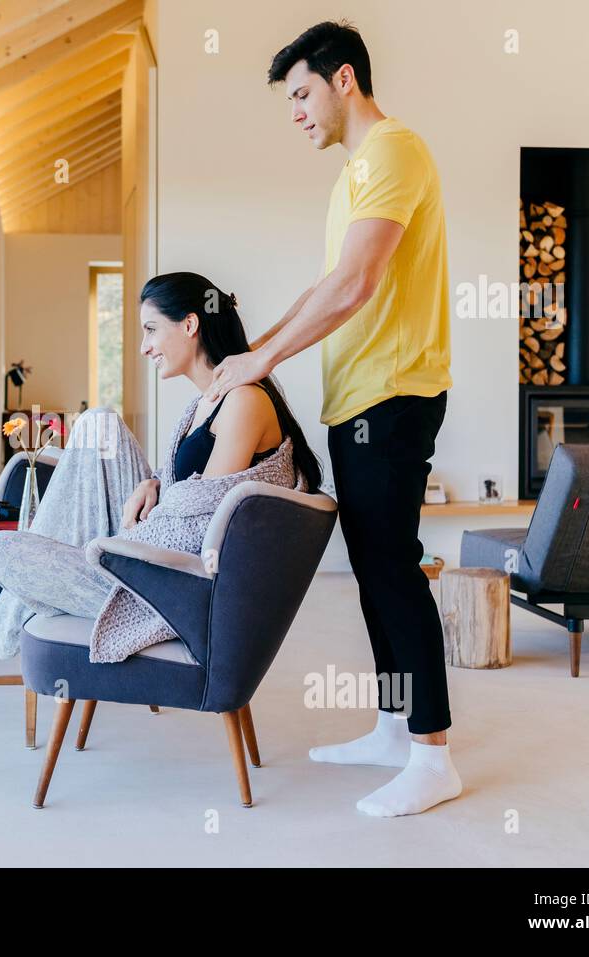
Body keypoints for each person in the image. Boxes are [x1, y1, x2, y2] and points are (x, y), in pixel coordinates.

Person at [206, 21, 461, 817]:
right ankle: (394, 723)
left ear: (343, 79)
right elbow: (326, 286)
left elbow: (355, 285)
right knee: (372, 573)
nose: (296, 112)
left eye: (302, 93)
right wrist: (251, 353)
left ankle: (433, 752)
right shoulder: (355, 173)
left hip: (393, 395)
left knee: (393, 569)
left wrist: (263, 362)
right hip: (358, 401)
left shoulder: (395, 151)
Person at [0, 271, 322, 664]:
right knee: (100, 421)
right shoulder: (208, 401)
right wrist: (154, 482)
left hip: (167, 585)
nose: (145, 347)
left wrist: (143, 520)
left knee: (1, 551)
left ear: (190, 324)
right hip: (156, 543)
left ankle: (26, 605)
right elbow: (195, 491)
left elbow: (199, 515)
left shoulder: (245, 401)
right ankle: (67, 567)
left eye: (151, 330)